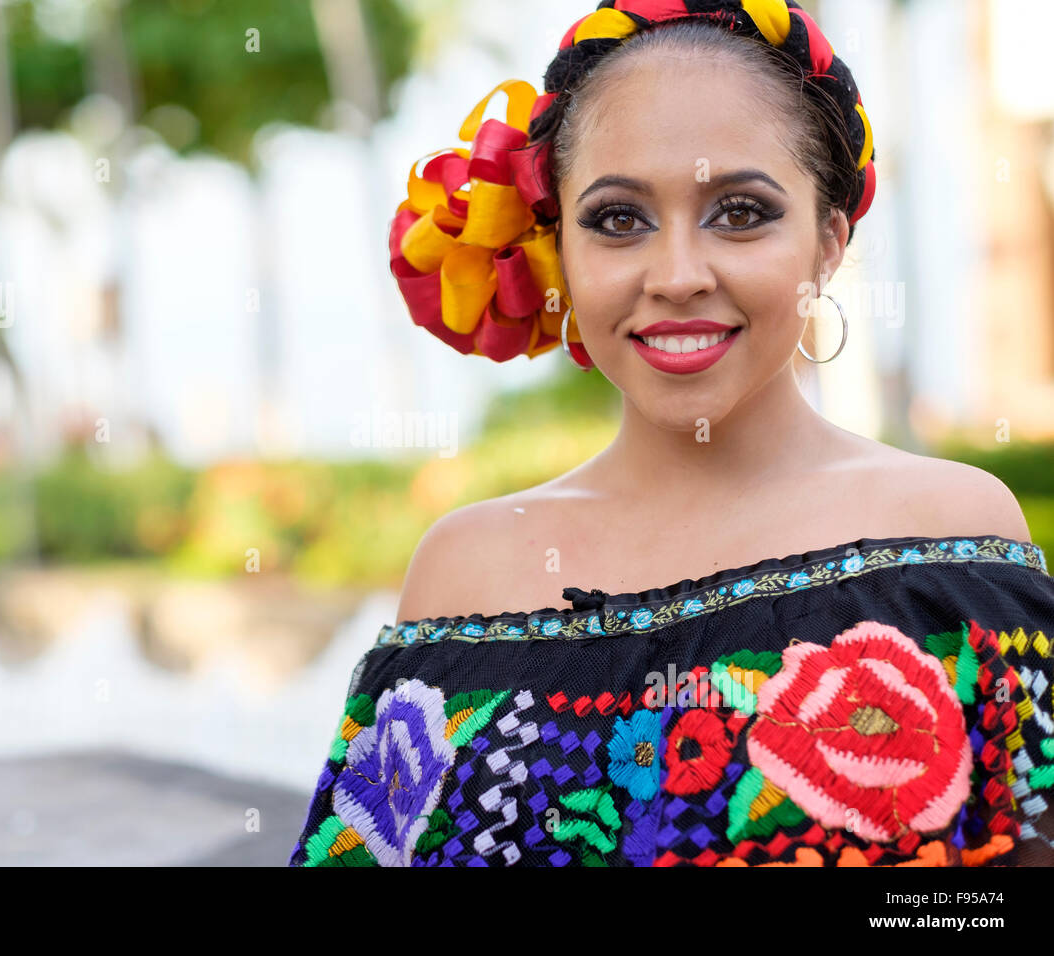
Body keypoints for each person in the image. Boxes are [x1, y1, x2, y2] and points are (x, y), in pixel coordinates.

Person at [288, 0, 1054, 867]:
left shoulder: (948, 543)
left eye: (740, 212)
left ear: (829, 242)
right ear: (560, 253)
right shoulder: (464, 571)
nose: (679, 276)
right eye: (619, 220)